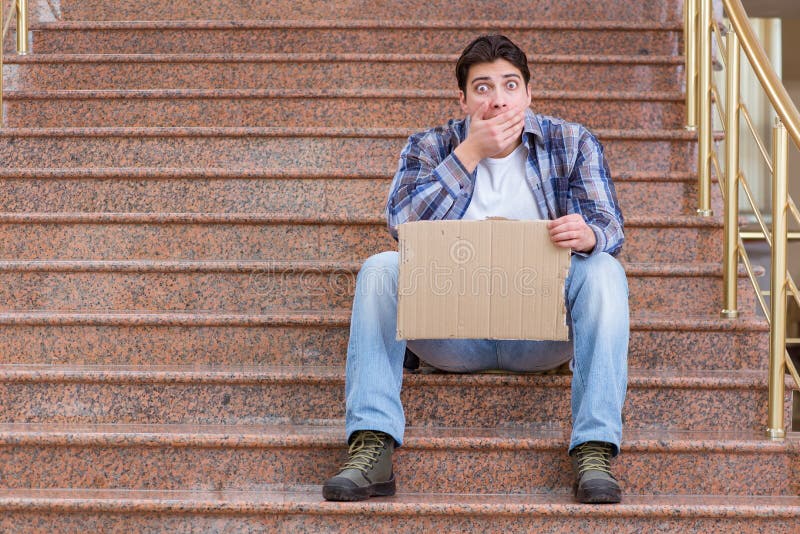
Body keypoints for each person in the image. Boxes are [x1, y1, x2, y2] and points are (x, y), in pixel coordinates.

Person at [322, 34, 629, 505]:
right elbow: (402, 225)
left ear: (528, 93)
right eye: (483, 87)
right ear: (463, 99)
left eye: (510, 85)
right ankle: (373, 445)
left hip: (541, 337)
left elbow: (609, 224)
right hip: (451, 338)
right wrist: (469, 153)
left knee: (604, 270)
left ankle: (594, 448)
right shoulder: (429, 145)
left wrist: (589, 235)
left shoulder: (571, 142)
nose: (498, 99)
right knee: (380, 270)